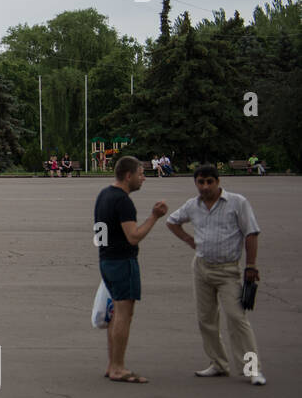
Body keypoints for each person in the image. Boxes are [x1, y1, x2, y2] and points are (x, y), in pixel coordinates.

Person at [165, 165, 266, 385]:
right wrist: (188, 240)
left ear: (218, 181)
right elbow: (172, 221)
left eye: (209, 181)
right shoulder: (193, 205)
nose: (205, 186)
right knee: (206, 320)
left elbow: (251, 233)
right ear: (196, 183)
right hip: (202, 268)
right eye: (201, 182)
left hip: (228, 270)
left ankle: (252, 369)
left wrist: (251, 265)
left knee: (237, 319)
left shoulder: (237, 203)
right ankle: (219, 364)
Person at [94, 156, 167, 383]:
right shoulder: (122, 201)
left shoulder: (103, 195)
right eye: (141, 173)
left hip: (106, 259)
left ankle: (112, 364)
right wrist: (154, 217)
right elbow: (133, 236)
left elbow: (99, 233)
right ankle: (118, 367)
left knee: (116, 314)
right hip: (122, 261)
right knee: (124, 314)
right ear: (129, 175)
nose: (143, 178)